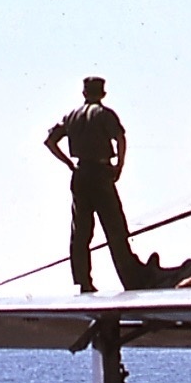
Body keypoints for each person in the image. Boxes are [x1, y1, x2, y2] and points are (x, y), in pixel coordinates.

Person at [45, 76, 141, 292]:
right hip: (101, 173)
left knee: (80, 232)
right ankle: (131, 279)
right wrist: (120, 165)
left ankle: (82, 282)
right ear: (103, 93)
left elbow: (50, 141)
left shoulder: (71, 116)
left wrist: (69, 163)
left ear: (84, 93)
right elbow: (120, 137)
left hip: (81, 174)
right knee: (115, 227)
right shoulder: (104, 114)